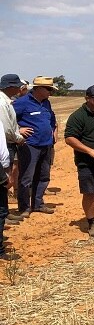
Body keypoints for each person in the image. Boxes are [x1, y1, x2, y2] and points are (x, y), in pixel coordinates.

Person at [64, 85, 94, 238]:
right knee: (89, 192)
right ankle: (92, 222)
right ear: (87, 99)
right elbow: (70, 138)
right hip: (86, 162)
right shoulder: (78, 116)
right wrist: (90, 151)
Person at [13, 76, 58, 218]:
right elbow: (8, 119)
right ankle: (24, 207)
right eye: (48, 89)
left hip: (46, 144)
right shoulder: (21, 103)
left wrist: (53, 132)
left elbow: (51, 119)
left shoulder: (46, 103)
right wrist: (18, 130)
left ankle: (38, 204)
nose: (50, 91)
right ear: (38, 89)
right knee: (27, 177)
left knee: (44, 177)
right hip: (30, 145)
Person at [0, 74, 30, 225]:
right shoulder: (2, 103)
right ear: (9, 87)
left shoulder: (7, 101)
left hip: (9, 143)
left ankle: (5, 212)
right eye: (17, 85)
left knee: (6, 179)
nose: (20, 88)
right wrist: (19, 137)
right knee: (5, 179)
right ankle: (3, 214)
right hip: (6, 144)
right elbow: (6, 129)